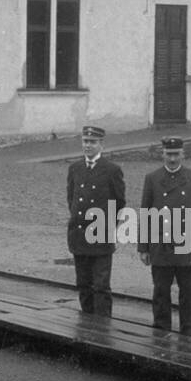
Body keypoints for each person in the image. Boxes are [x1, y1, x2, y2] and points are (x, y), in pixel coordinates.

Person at [138, 137, 191, 335]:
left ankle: (189, 330)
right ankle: (161, 328)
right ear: (162, 154)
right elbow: (145, 213)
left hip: (186, 243)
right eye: (168, 154)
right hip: (160, 244)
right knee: (161, 290)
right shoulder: (152, 178)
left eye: (176, 154)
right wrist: (143, 247)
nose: (172, 159)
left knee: (187, 291)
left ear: (183, 154)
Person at [65, 125, 125, 316]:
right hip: (79, 234)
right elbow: (71, 198)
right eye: (85, 141)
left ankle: (102, 330)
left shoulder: (111, 170)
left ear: (101, 145)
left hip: (100, 235)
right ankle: (86, 326)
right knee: (83, 284)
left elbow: (119, 202)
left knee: (100, 285)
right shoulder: (75, 168)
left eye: (92, 142)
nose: (88, 146)